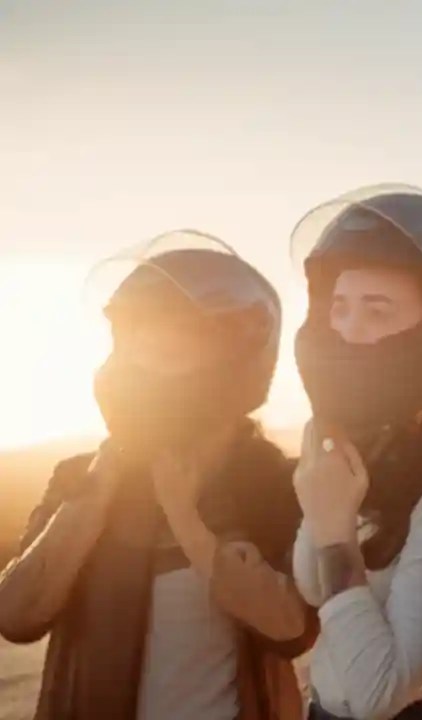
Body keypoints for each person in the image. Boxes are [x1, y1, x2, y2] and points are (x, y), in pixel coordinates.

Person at [0, 232, 314, 720]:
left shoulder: (273, 485)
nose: (135, 367)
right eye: (130, 346)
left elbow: (291, 630)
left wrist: (188, 519)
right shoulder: (80, 476)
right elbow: (17, 616)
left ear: (233, 356)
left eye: (163, 347)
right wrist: (100, 482)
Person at [289, 184, 422, 720]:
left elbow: (380, 691)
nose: (349, 332)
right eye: (339, 307)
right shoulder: (356, 433)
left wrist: (335, 533)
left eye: (378, 310)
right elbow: (312, 586)